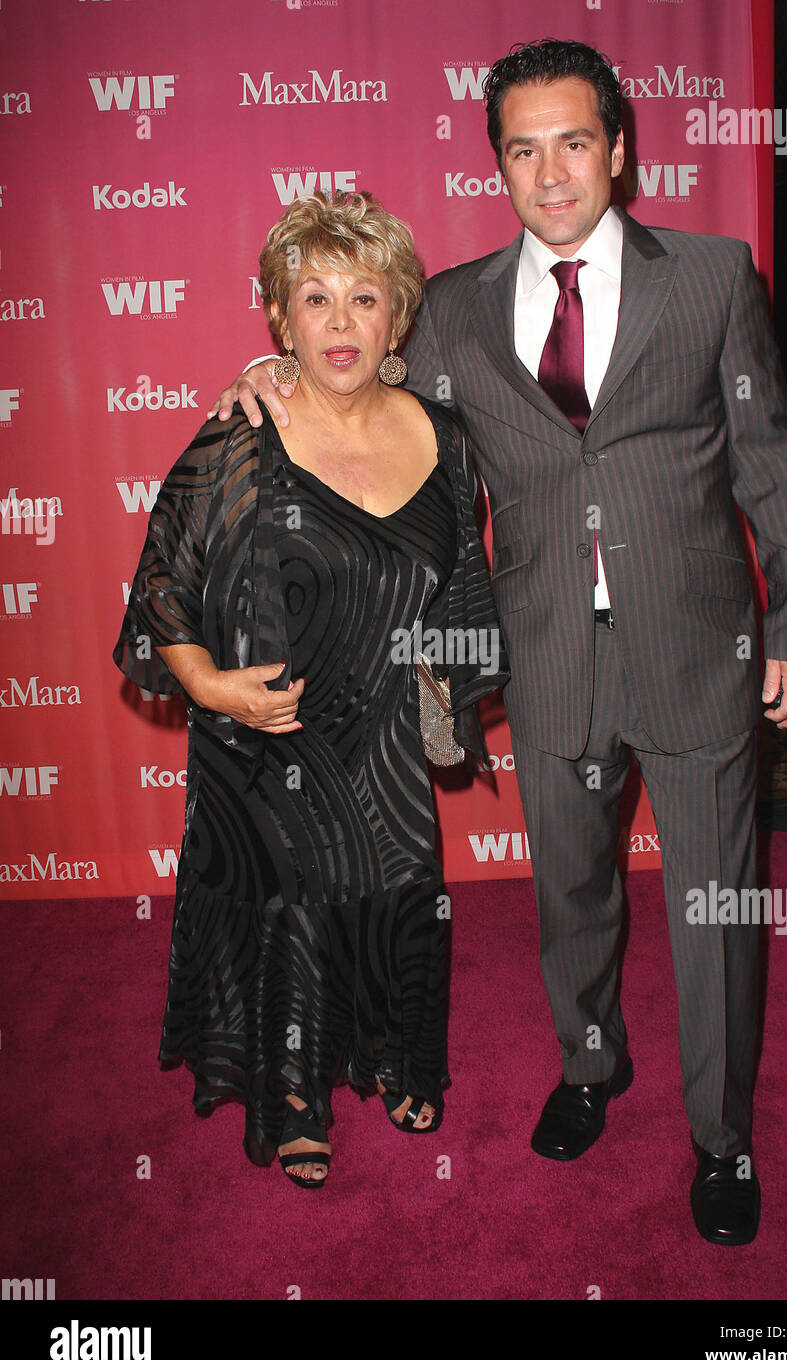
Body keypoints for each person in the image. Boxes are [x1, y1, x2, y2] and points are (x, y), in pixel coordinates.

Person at [213, 40, 787, 1241]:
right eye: (521, 148)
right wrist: (271, 369)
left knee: (712, 905)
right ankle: (591, 1066)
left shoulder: (710, 277)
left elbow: (773, 462)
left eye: (572, 142)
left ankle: (722, 1136)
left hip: (697, 645)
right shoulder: (450, 307)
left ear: (619, 150)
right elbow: (377, 406)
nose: (548, 172)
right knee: (571, 894)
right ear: (497, 161)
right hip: (545, 647)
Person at [114, 191, 507, 1189]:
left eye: (363, 297)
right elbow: (161, 577)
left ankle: (400, 1056)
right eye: (314, 299)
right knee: (295, 896)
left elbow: (461, 575)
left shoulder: (443, 434)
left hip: (380, 722)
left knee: (407, 885)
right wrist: (211, 688)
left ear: (397, 317)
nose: (340, 323)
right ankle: (293, 1096)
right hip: (270, 726)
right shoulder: (243, 431)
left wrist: (443, 700)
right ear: (279, 320)